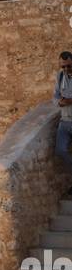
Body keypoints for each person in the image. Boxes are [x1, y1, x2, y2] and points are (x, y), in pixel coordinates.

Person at [55, 51, 72, 194]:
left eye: (68, 66)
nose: (66, 69)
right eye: (63, 67)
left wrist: (69, 100)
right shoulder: (60, 77)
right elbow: (55, 97)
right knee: (60, 150)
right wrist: (60, 102)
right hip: (64, 121)